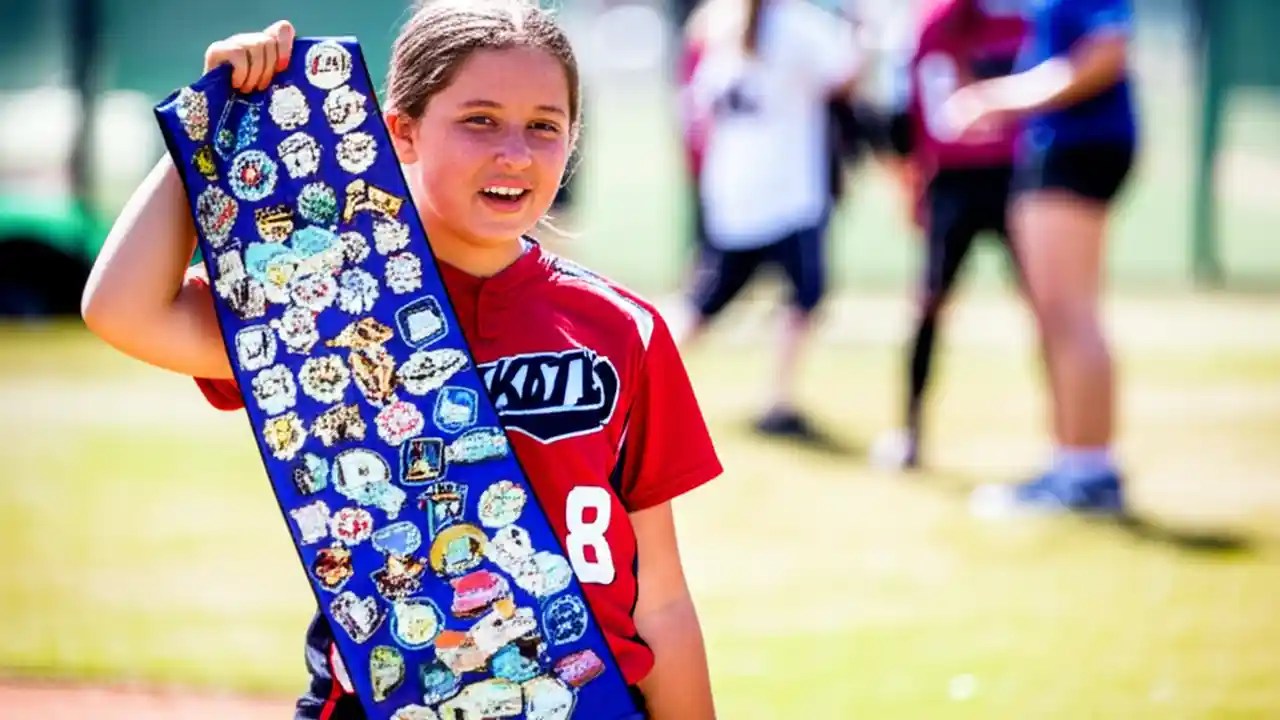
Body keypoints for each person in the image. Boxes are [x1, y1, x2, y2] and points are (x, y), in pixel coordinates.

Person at [79, 3, 723, 718]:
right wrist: (214, 126)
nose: (514, 150)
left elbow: (660, 594)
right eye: (479, 119)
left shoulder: (619, 328)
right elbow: (122, 309)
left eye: (544, 125)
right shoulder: (327, 305)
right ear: (401, 132)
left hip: (587, 701)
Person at [942, 0, 1137, 514]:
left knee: (1069, 314)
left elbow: (1105, 54)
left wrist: (998, 98)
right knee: (1060, 316)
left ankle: (1086, 472)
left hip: (1077, 148)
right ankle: (1074, 463)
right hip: (1066, 145)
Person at [676, 0, 861, 437]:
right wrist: (860, 30)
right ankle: (778, 401)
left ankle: (633, 381)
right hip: (787, 190)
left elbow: (697, 101)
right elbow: (845, 77)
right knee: (801, 296)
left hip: (731, 186)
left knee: (707, 303)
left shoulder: (718, 19)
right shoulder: (800, 24)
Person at [869, 0, 1028, 470]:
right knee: (929, 304)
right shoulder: (930, 22)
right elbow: (900, 119)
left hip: (1013, 177)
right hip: (953, 183)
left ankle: (1068, 441)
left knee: (1049, 308)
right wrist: (909, 181)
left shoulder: (1020, 16)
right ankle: (911, 430)